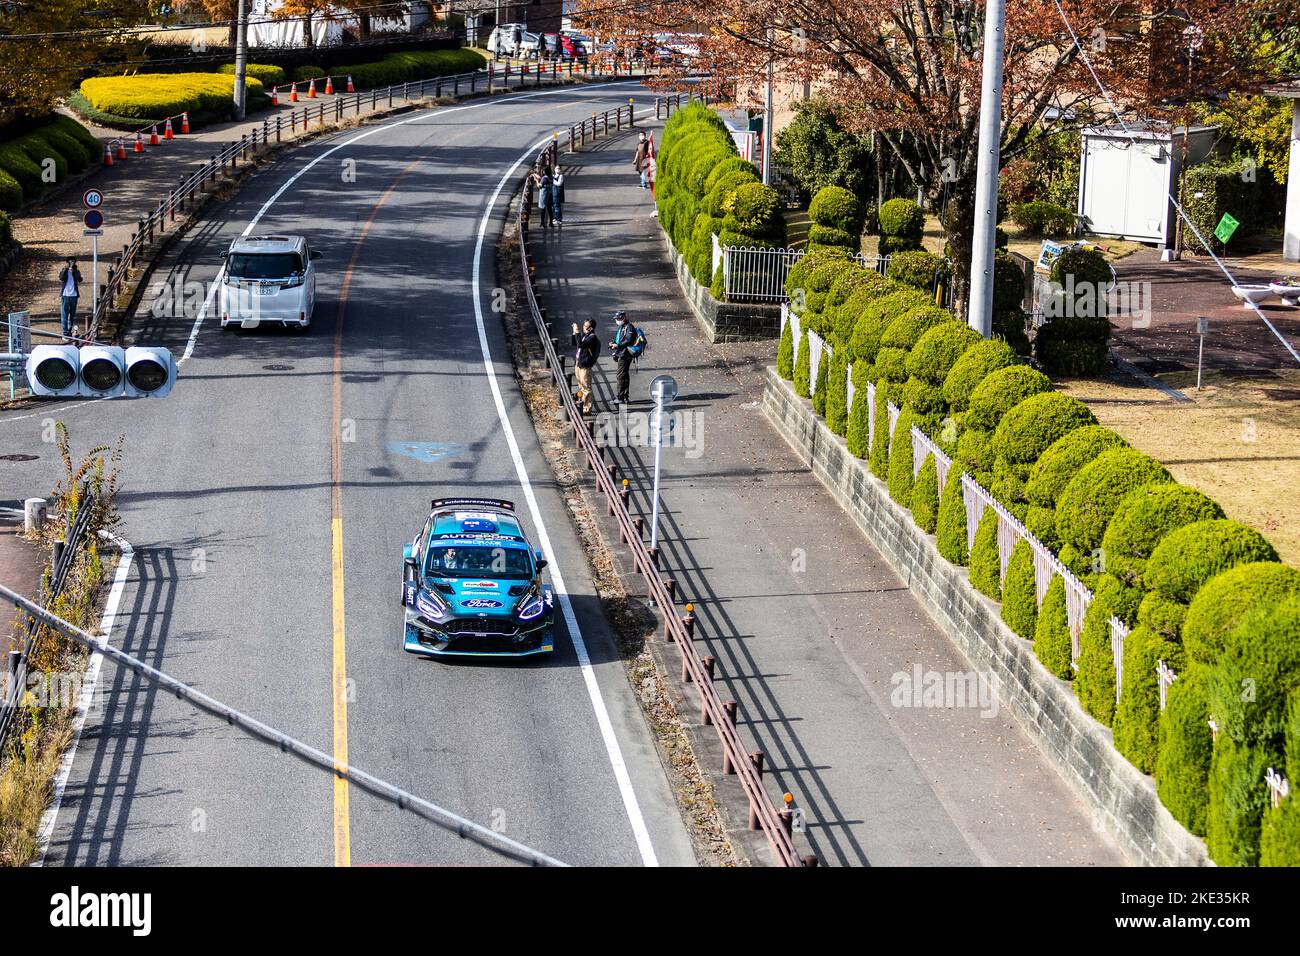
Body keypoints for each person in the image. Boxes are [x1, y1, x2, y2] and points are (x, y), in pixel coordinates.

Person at [608, 310, 645, 405]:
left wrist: (618, 346)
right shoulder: (623, 327)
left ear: (623, 318)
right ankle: (625, 396)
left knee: (620, 375)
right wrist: (614, 343)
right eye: (616, 319)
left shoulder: (629, 327)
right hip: (622, 353)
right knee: (624, 375)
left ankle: (620, 397)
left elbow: (628, 340)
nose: (617, 320)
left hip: (625, 354)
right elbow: (621, 339)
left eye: (618, 318)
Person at [571, 318, 599, 413]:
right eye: (583, 325)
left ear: (590, 328)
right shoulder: (585, 335)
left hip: (585, 365)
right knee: (581, 385)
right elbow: (574, 342)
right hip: (579, 363)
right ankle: (581, 404)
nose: (583, 328)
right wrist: (574, 333)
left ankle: (587, 408)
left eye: (585, 326)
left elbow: (581, 345)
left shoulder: (592, 337)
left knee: (586, 387)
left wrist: (578, 332)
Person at [58, 258, 82, 340]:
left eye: (73, 261)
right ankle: (65, 333)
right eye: (70, 261)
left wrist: (74, 272)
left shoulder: (76, 271)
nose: (71, 263)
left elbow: (80, 279)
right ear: (67, 262)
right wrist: (66, 270)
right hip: (65, 295)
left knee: (72, 315)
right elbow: (61, 278)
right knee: (64, 314)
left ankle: (70, 330)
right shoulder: (64, 270)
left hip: (74, 296)